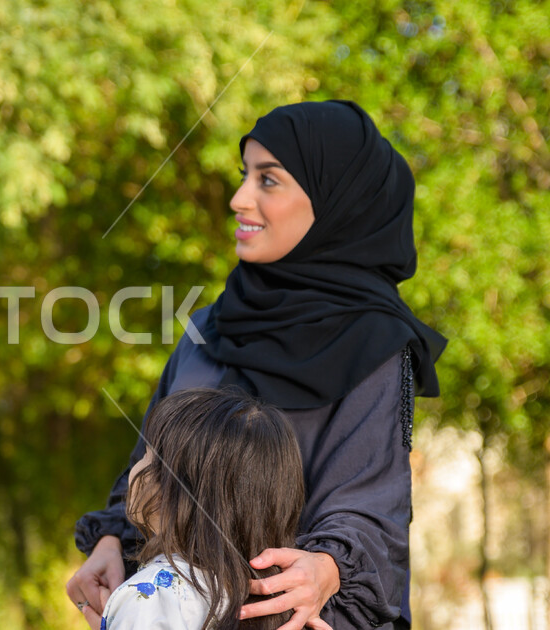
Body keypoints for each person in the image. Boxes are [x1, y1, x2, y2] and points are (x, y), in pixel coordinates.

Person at [68, 100, 446, 629]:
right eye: (245, 175)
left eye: (269, 180)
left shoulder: (375, 347)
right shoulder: (207, 330)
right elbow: (150, 469)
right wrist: (111, 541)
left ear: (334, 199)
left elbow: (370, 506)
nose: (239, 198)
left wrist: (328, 569)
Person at [92, 387, 307, 630]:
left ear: (175, 492)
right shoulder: (282, 602)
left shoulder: (150, 596)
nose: (135, 468)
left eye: (147, 455)